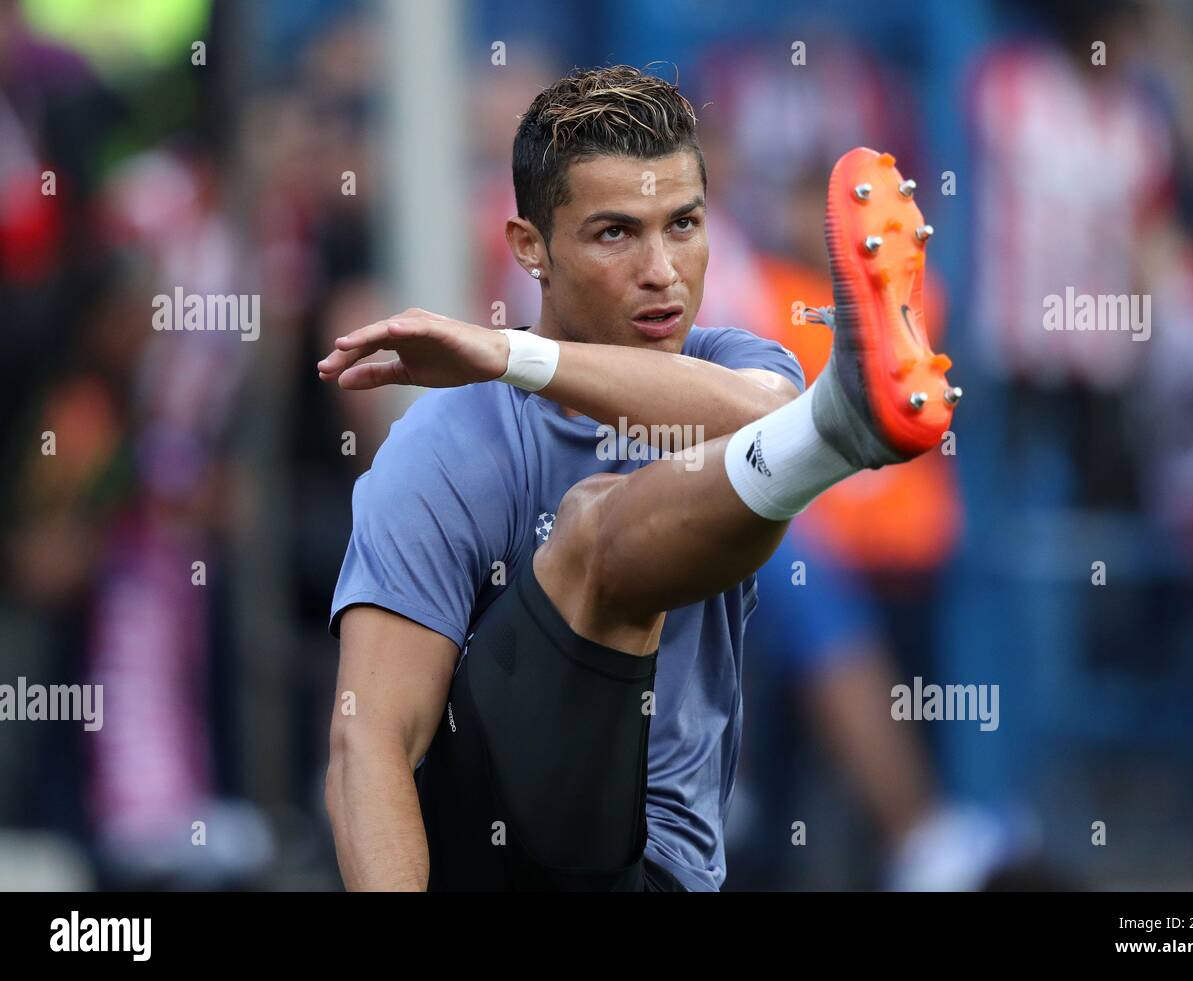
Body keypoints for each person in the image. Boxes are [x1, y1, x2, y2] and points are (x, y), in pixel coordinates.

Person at [318, 65, 956, 891]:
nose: (662, 269)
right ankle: (844, 424)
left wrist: (513, 352)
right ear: (530, 250)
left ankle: (840, 422)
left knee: (761, 444)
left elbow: (754, 418)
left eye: (684, 224)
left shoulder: (738, 365)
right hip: (498, 863)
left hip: (664, 877)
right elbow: (366, 744)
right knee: (594, 523)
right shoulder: (444, 443)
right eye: (615, 233)